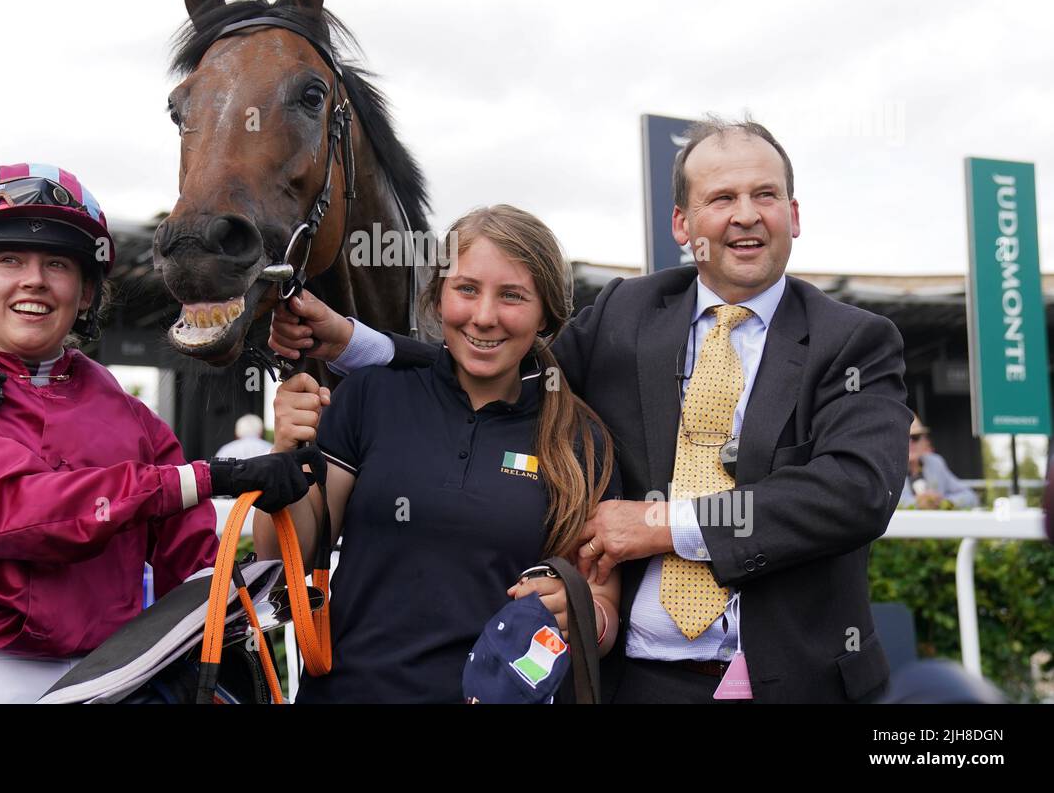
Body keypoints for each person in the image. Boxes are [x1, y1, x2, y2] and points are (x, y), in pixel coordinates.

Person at [272, 118, 912, 703]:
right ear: (683, 226)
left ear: (793, 214)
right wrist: (354, 340)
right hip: (633, 683)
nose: (745, 216)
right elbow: (500, 355)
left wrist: (664, 525)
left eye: (764, 196)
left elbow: (857, 490)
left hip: (793, 684)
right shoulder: (626, 313)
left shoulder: (855, 340)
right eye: (721, 199)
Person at [0, 163, 316, 703]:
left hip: (114, 674)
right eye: (9, 260)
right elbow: (8, 513)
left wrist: (285, 459)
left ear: (84, 295)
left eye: (57, 263)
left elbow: (197, 573)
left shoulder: (130, 417)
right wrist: (204, 478)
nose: (34, 279)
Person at [253, 205, 623, 703]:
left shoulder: (581, 438)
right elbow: (280, 559)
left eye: (512, 296)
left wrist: (578, 614)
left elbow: (602, 613)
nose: (484, 316)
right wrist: (285, 458)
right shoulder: (371, 395)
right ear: (438, 296)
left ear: (546, 315)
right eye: (466, 289)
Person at [900, 414, 978, 509]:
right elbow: (886, 503)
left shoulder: (935, 463)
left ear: (924, 439)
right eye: (904, 437)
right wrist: (918, 503)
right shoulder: (889, 468)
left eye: (915, 437)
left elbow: (970, 496)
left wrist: (946, 502)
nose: (910, 442)